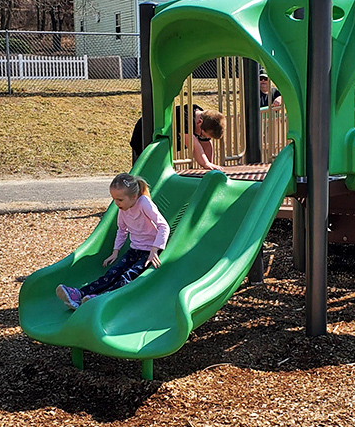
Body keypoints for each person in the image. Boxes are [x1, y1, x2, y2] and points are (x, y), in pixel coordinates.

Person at [55, 172, 170, 310]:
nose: (116, 203)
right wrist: (115, 252)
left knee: (128, 276)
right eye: (114, 199)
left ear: (133, 197)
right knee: (112, 273)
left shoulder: (144, 203)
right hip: (135, 249)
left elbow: (163, 226)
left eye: (120, 199)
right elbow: (122, 230)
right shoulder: (123, 209)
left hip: (150, 252)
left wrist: (154, 249)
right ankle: (79, 294)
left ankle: (103, 298)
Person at [129, 104, 226, 171]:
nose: (201, 137)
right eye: (201, 134)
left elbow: (206, 144)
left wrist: (209, 166)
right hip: (144, 136)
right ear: (199, 122)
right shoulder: (185, 118)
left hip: (163, 145)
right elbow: (194, 146)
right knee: (143, 169)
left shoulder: (203, 119)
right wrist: (205, 164)